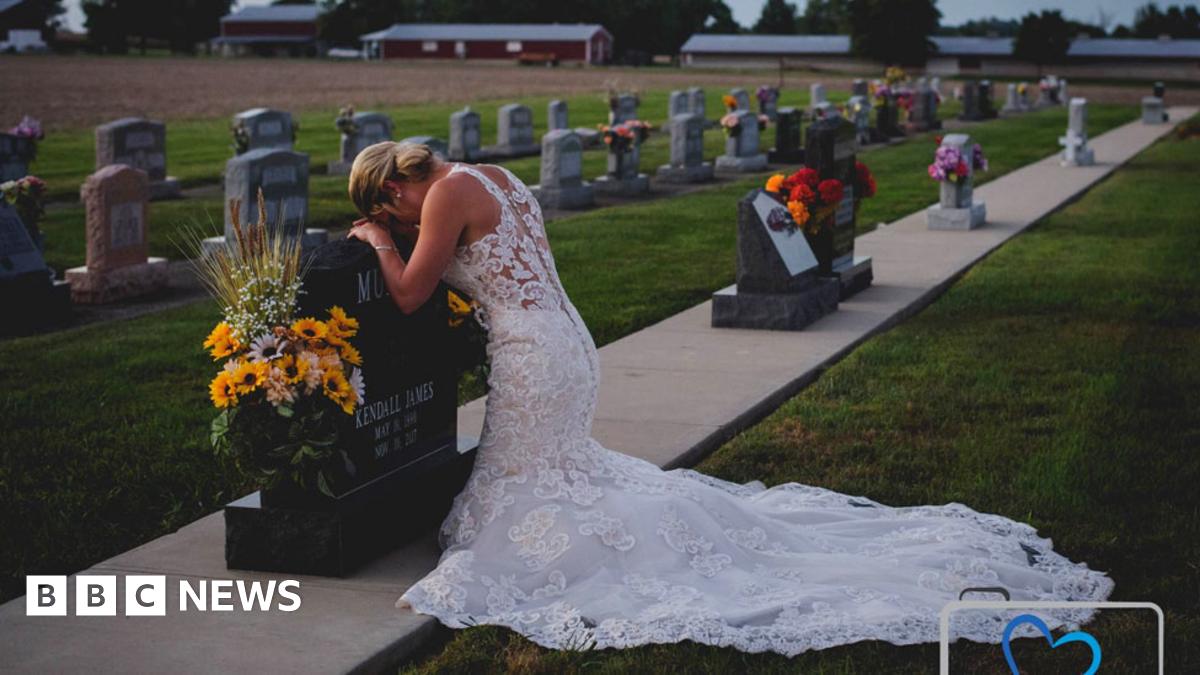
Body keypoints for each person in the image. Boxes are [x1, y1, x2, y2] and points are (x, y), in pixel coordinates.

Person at [345, 141, 1114, 656]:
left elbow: (411, 292)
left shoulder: (443, 194)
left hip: (533, 349)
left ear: (395, 181)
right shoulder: (490, 174)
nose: (401, 221)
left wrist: (374, 244)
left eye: (392, 208)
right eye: (390, 221)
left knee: (535, 488)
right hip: (562, 335)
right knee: (555, 469)